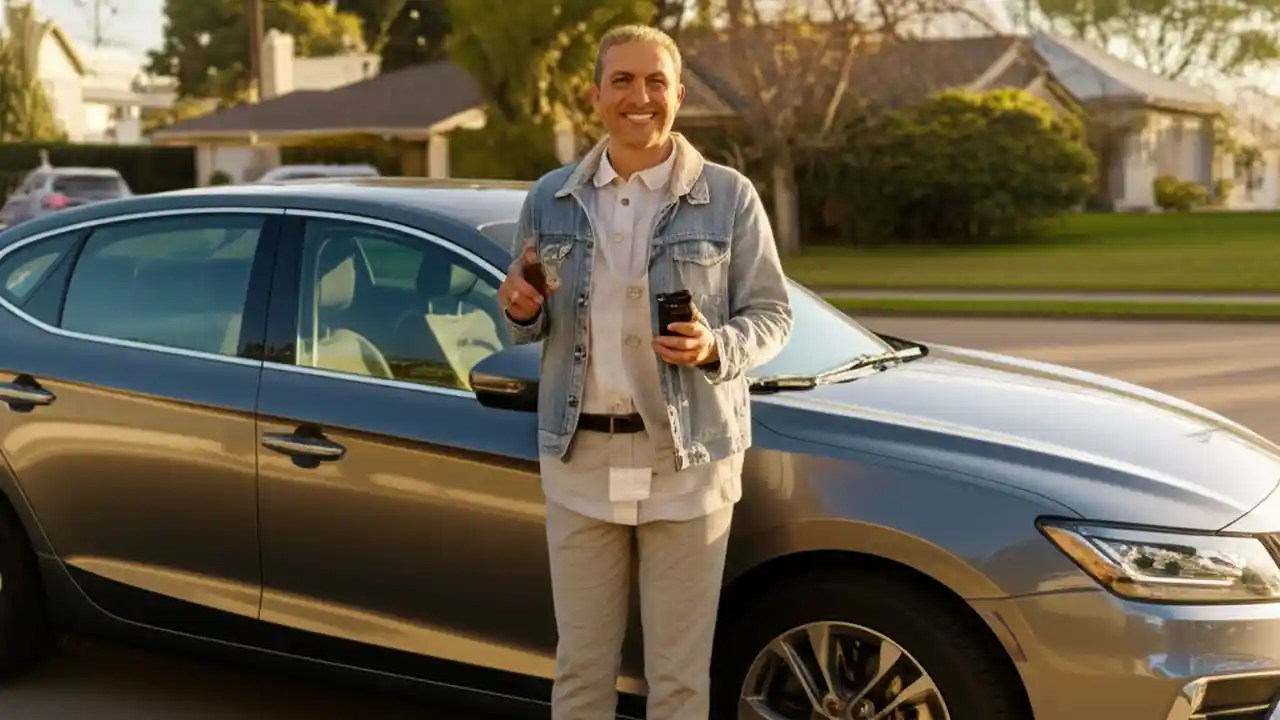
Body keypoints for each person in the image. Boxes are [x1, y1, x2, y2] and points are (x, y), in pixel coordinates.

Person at [497, 23, 793, 720]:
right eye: (623, 81)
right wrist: (517, 307)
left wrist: (716, 345)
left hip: (688, 464)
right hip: (580, 462)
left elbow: (774, 315)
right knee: (580, 675)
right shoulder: (549, 199)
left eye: (655, 81)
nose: (640, 96)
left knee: (681, 682)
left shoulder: (729, 197)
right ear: (596, 95)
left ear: (679, 95)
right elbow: (528, 319)